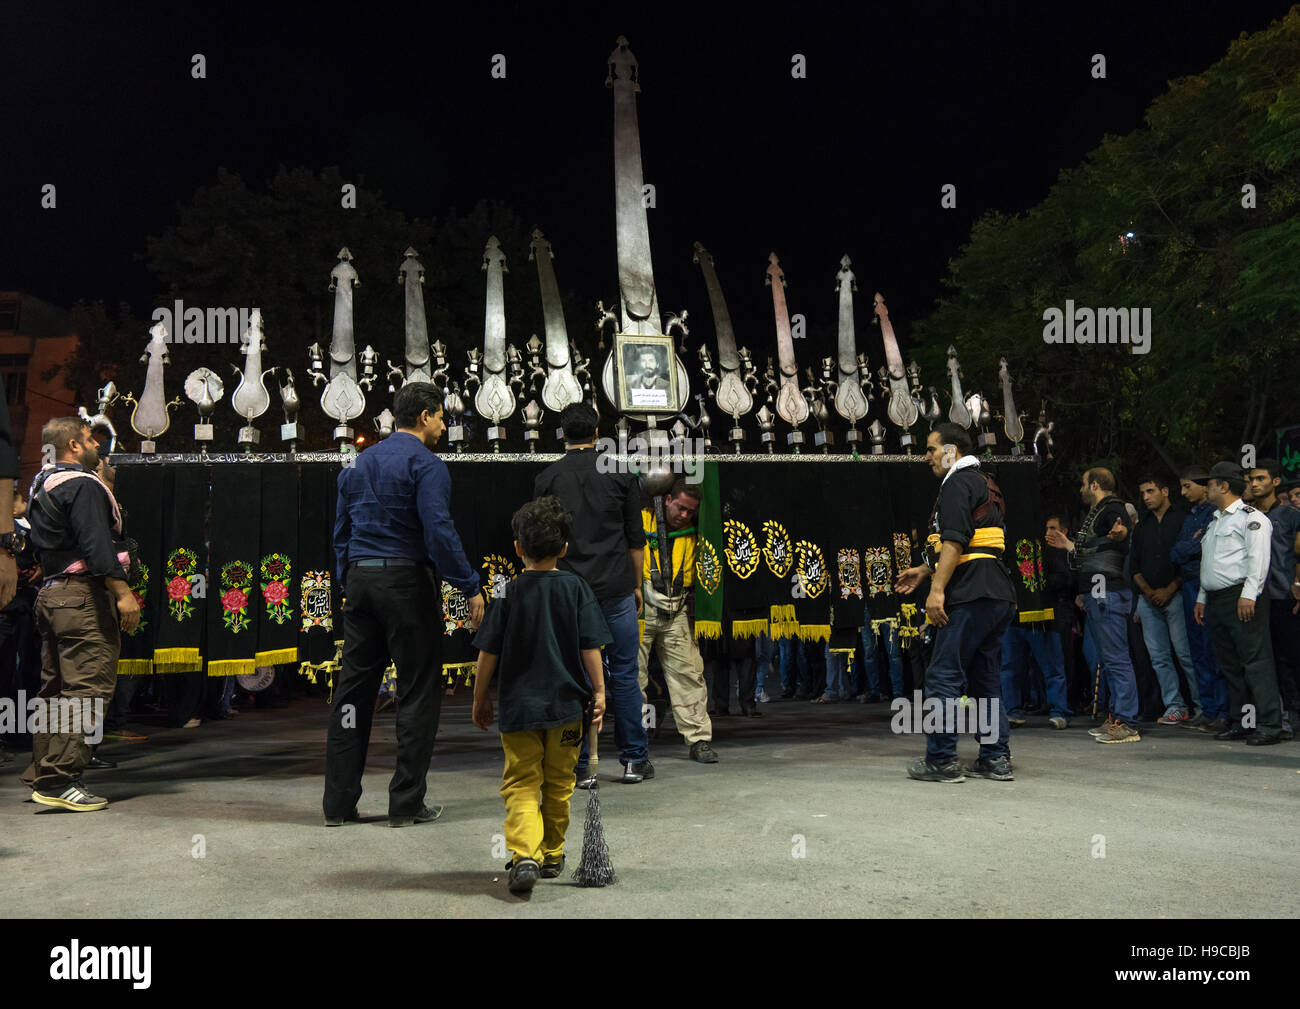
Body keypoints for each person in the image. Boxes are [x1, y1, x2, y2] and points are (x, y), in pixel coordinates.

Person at [324, 382, 485, 827]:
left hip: (360, 581)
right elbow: (438, 532)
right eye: (442, 417)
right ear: (426, 416)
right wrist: (470, 586)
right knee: (416, 693)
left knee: (352, 696)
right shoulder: (428, 466)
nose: (444, 426)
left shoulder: (357, 464)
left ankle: (337, 806)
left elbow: (340, 533)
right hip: (406, 584)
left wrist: (349, 580)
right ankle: (405, 804)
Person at [471, 497, 609, 894]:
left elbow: (488, 654)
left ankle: (524, 854)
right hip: (567, 710)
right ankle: (551, 854)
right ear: (565, 548)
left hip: (519, 711)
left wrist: (480, 699)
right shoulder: (577, 589)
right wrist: (599, 692)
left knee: (521, 781)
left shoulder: (508, 594)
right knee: (560, 783)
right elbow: (590, 649)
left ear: (517, 548)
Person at [18, 417, 140, 810]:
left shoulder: (41, 485)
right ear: (72, 445)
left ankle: (44, 771)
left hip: (52, 597)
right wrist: (123, 593)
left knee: (55, 692)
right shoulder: (82, 485)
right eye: (89, 440)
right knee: (87, 691)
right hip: (82, 597)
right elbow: (96, 545)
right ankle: (59, 781)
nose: (97, 447)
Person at [533, 401, 650, 785]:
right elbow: (636, 541)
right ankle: (634, 760)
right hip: (616, 589)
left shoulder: (547, 478)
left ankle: (580, 766)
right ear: (598, 433)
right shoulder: (620, 474)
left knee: (577, 677)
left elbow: (543, 544)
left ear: (562, 434)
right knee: (625, 675)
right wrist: (635, 584)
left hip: (569, 594)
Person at [895, 423, 1017, 782]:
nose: (927, 457)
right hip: (997, 592)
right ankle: (995, 758)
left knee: (943, 676)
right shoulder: (986, 482)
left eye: (932, 449)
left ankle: (942, 760)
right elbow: (979, 542)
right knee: (986, 678)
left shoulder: (955, 483)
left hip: (969, 594)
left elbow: (954, 542)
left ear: (951, 451)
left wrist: (937, 590)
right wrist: (924, 569)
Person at [1046, 467, 1141, 743]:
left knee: (1116, 658)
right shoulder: (1098, 512)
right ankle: (1116, 718)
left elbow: (1121, 530)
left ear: (1095, 485)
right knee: (1109, 660)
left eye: (1083, 484)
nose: (1080, 489)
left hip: (1106, 592)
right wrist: (1067, 544)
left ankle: (1126, 722)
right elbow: (1089, 553)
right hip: (1097, 592)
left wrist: (1121, 533)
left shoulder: (1112, 508)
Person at [1194, 461, 1282, 744]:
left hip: (1240, 595)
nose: (1206, 488)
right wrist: (1202, 597)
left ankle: (1269, 725)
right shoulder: (1215, 520)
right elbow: (1210, 564)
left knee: (1256, 661)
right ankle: (1243, 721)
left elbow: (1259, 559)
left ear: (1223, 485)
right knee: (1230, 664)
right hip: (1218, 598)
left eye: (1209, 483)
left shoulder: (1250, 517)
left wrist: (1249, 594)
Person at [638, 478, 718, 763]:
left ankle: (699, 740)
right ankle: (635, 746)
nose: (684, 516)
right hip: (641, 609)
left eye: (690, 512)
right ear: (668, 499)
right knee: (634, 679)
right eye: (681, 508)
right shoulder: (641, 519)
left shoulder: (696, 530)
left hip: (677, 607)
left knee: (689, 675)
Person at [1130, 474, 1201, 724]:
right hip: (1148, 599)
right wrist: (1147, 592)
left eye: (1150, 491)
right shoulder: (1142, 526)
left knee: (1186, 654)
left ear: (1165, 491)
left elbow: (1190, 562)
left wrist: (1170, 589)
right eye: (1143, 493)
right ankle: (1175, 706)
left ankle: (1202, 707)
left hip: (1178, 594)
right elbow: (1134, 565)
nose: (1146, 497)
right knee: (1159, 657)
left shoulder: (1183, 519)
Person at [1170, 466, 1229, 732]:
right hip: (1191, 586)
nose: (1183, 492)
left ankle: (1223, 711)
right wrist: (1191, 545)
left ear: (1205, 486)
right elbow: (1177, 552)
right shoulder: (1190, 517)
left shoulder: (1215, 515)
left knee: (1213, 649)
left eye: (1187, 486)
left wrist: (1191, 546)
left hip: (1207, 585)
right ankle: (1207, 710)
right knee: (1197, 651)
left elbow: (1202, 548)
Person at [1245, 459, 1300, 739]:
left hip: (1284, 596)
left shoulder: (1290, 514)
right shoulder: (1248, 515)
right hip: (1255, 598)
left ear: (1275, 482)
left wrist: (1298, 583)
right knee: (1268, 661)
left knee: (1291, 658)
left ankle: (1294, 716)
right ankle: (1277, 718)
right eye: (1252, 479)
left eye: (1261, 478)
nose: (1255, 483)